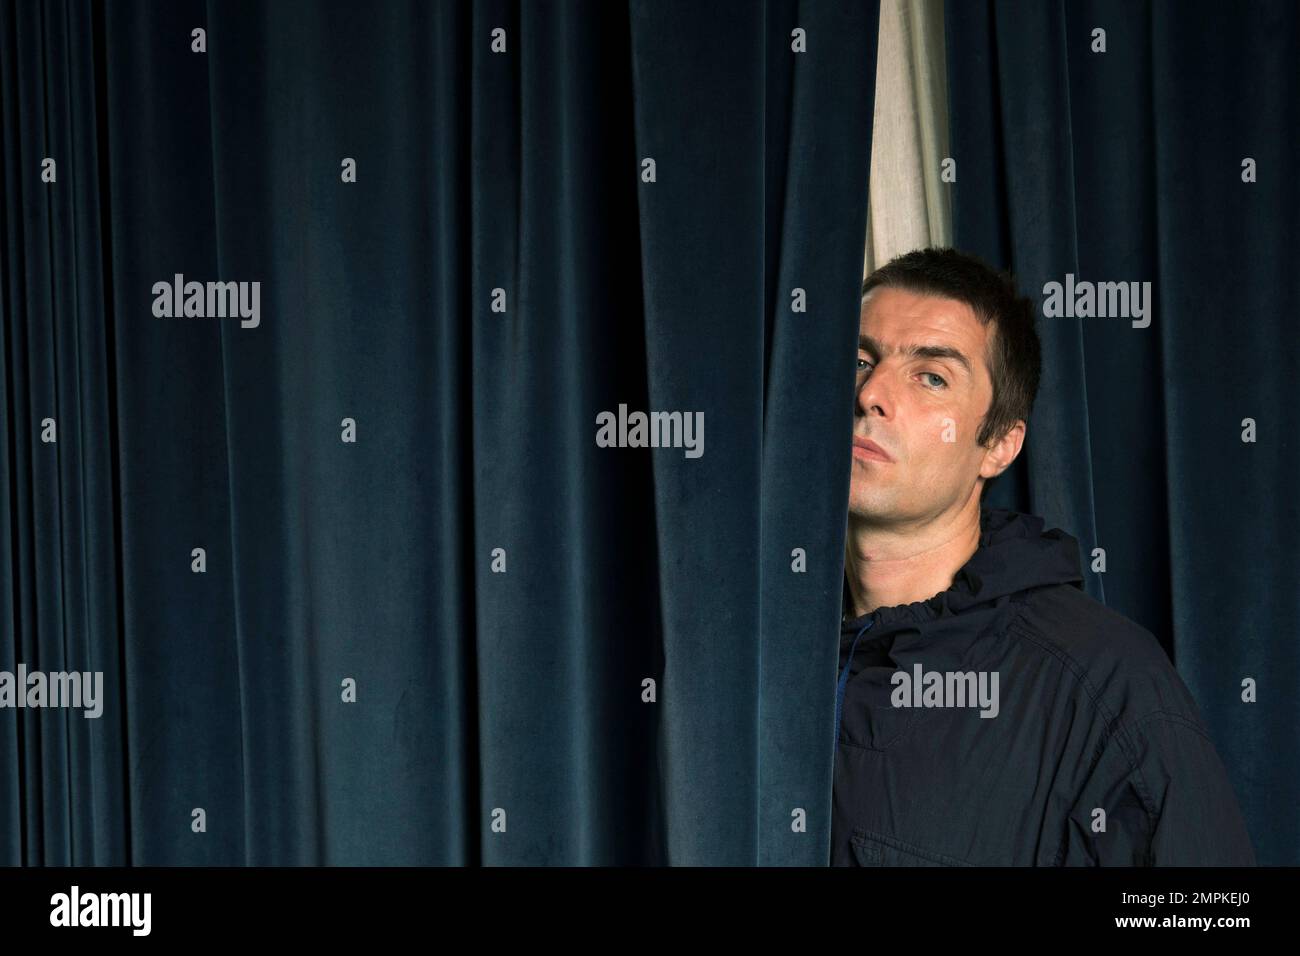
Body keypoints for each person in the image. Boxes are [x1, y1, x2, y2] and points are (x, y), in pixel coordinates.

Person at [832, 247, 1255, 866]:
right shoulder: (752, 650)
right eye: (861, 359)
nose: (871, 393)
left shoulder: (1101, 680)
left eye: (932, 377)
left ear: (999, 446)